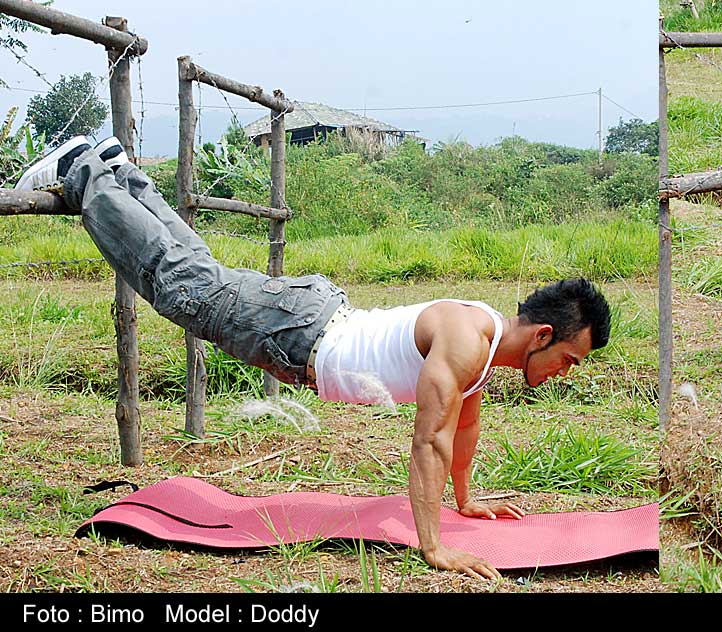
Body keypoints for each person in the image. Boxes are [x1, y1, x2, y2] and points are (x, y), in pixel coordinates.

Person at [17, 136, 613, 580]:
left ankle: (120, 171)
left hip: (311, 321)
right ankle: (86, 173)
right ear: (540, 335)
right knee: (180, 287)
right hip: (302, 332)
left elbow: (465, 426)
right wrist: (434, 546)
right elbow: (430, 439)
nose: (567, 373)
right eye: (570, 358)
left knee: (197, 276)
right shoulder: (466, 339)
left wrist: (466, 501)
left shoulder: (482, 344)